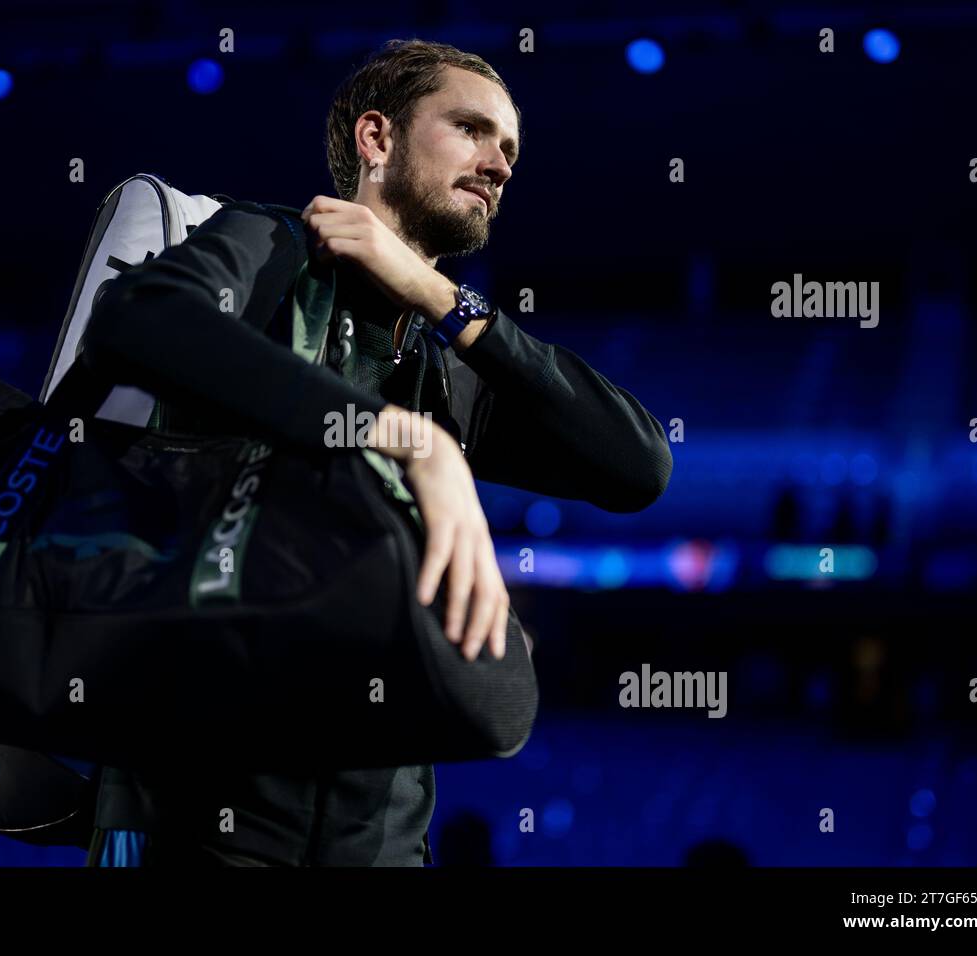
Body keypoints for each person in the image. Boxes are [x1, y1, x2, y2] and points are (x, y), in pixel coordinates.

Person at [77, 38, 674, 866]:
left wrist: (438, 295)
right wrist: (396, 435)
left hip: (381, 833)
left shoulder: (445, 362)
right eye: (471, 129)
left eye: (509, 148)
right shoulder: (274, 245)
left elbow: (638, 465)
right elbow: (135, 321)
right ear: (377, 138)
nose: (499, 164)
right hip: (194, 809)